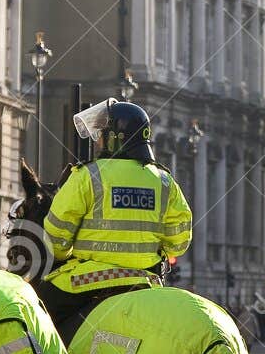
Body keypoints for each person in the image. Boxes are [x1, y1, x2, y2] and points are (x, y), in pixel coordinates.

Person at [41, 99, 192, 327]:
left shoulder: (88, 175)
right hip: (146, 281)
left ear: (115, 137)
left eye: (101, 134)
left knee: (38, 314)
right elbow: (180, 241)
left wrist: (63, 254)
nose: (98, 140)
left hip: (87, 280)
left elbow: (56, 231)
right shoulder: (164, 181)